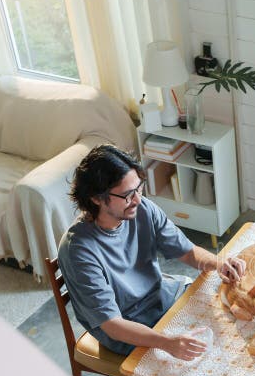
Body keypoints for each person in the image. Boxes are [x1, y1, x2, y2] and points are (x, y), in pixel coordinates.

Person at [58, 144, 245, 361]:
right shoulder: (78, 251)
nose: (137, 199)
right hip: (128, 330)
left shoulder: (141, 208)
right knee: (202, 363)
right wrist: (166, 342)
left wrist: (219, 263)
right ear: (96, 198)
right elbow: (112, 324)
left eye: (139, 188)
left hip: (163, 296)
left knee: (232, 329)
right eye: (128, 194)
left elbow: (186, 251)